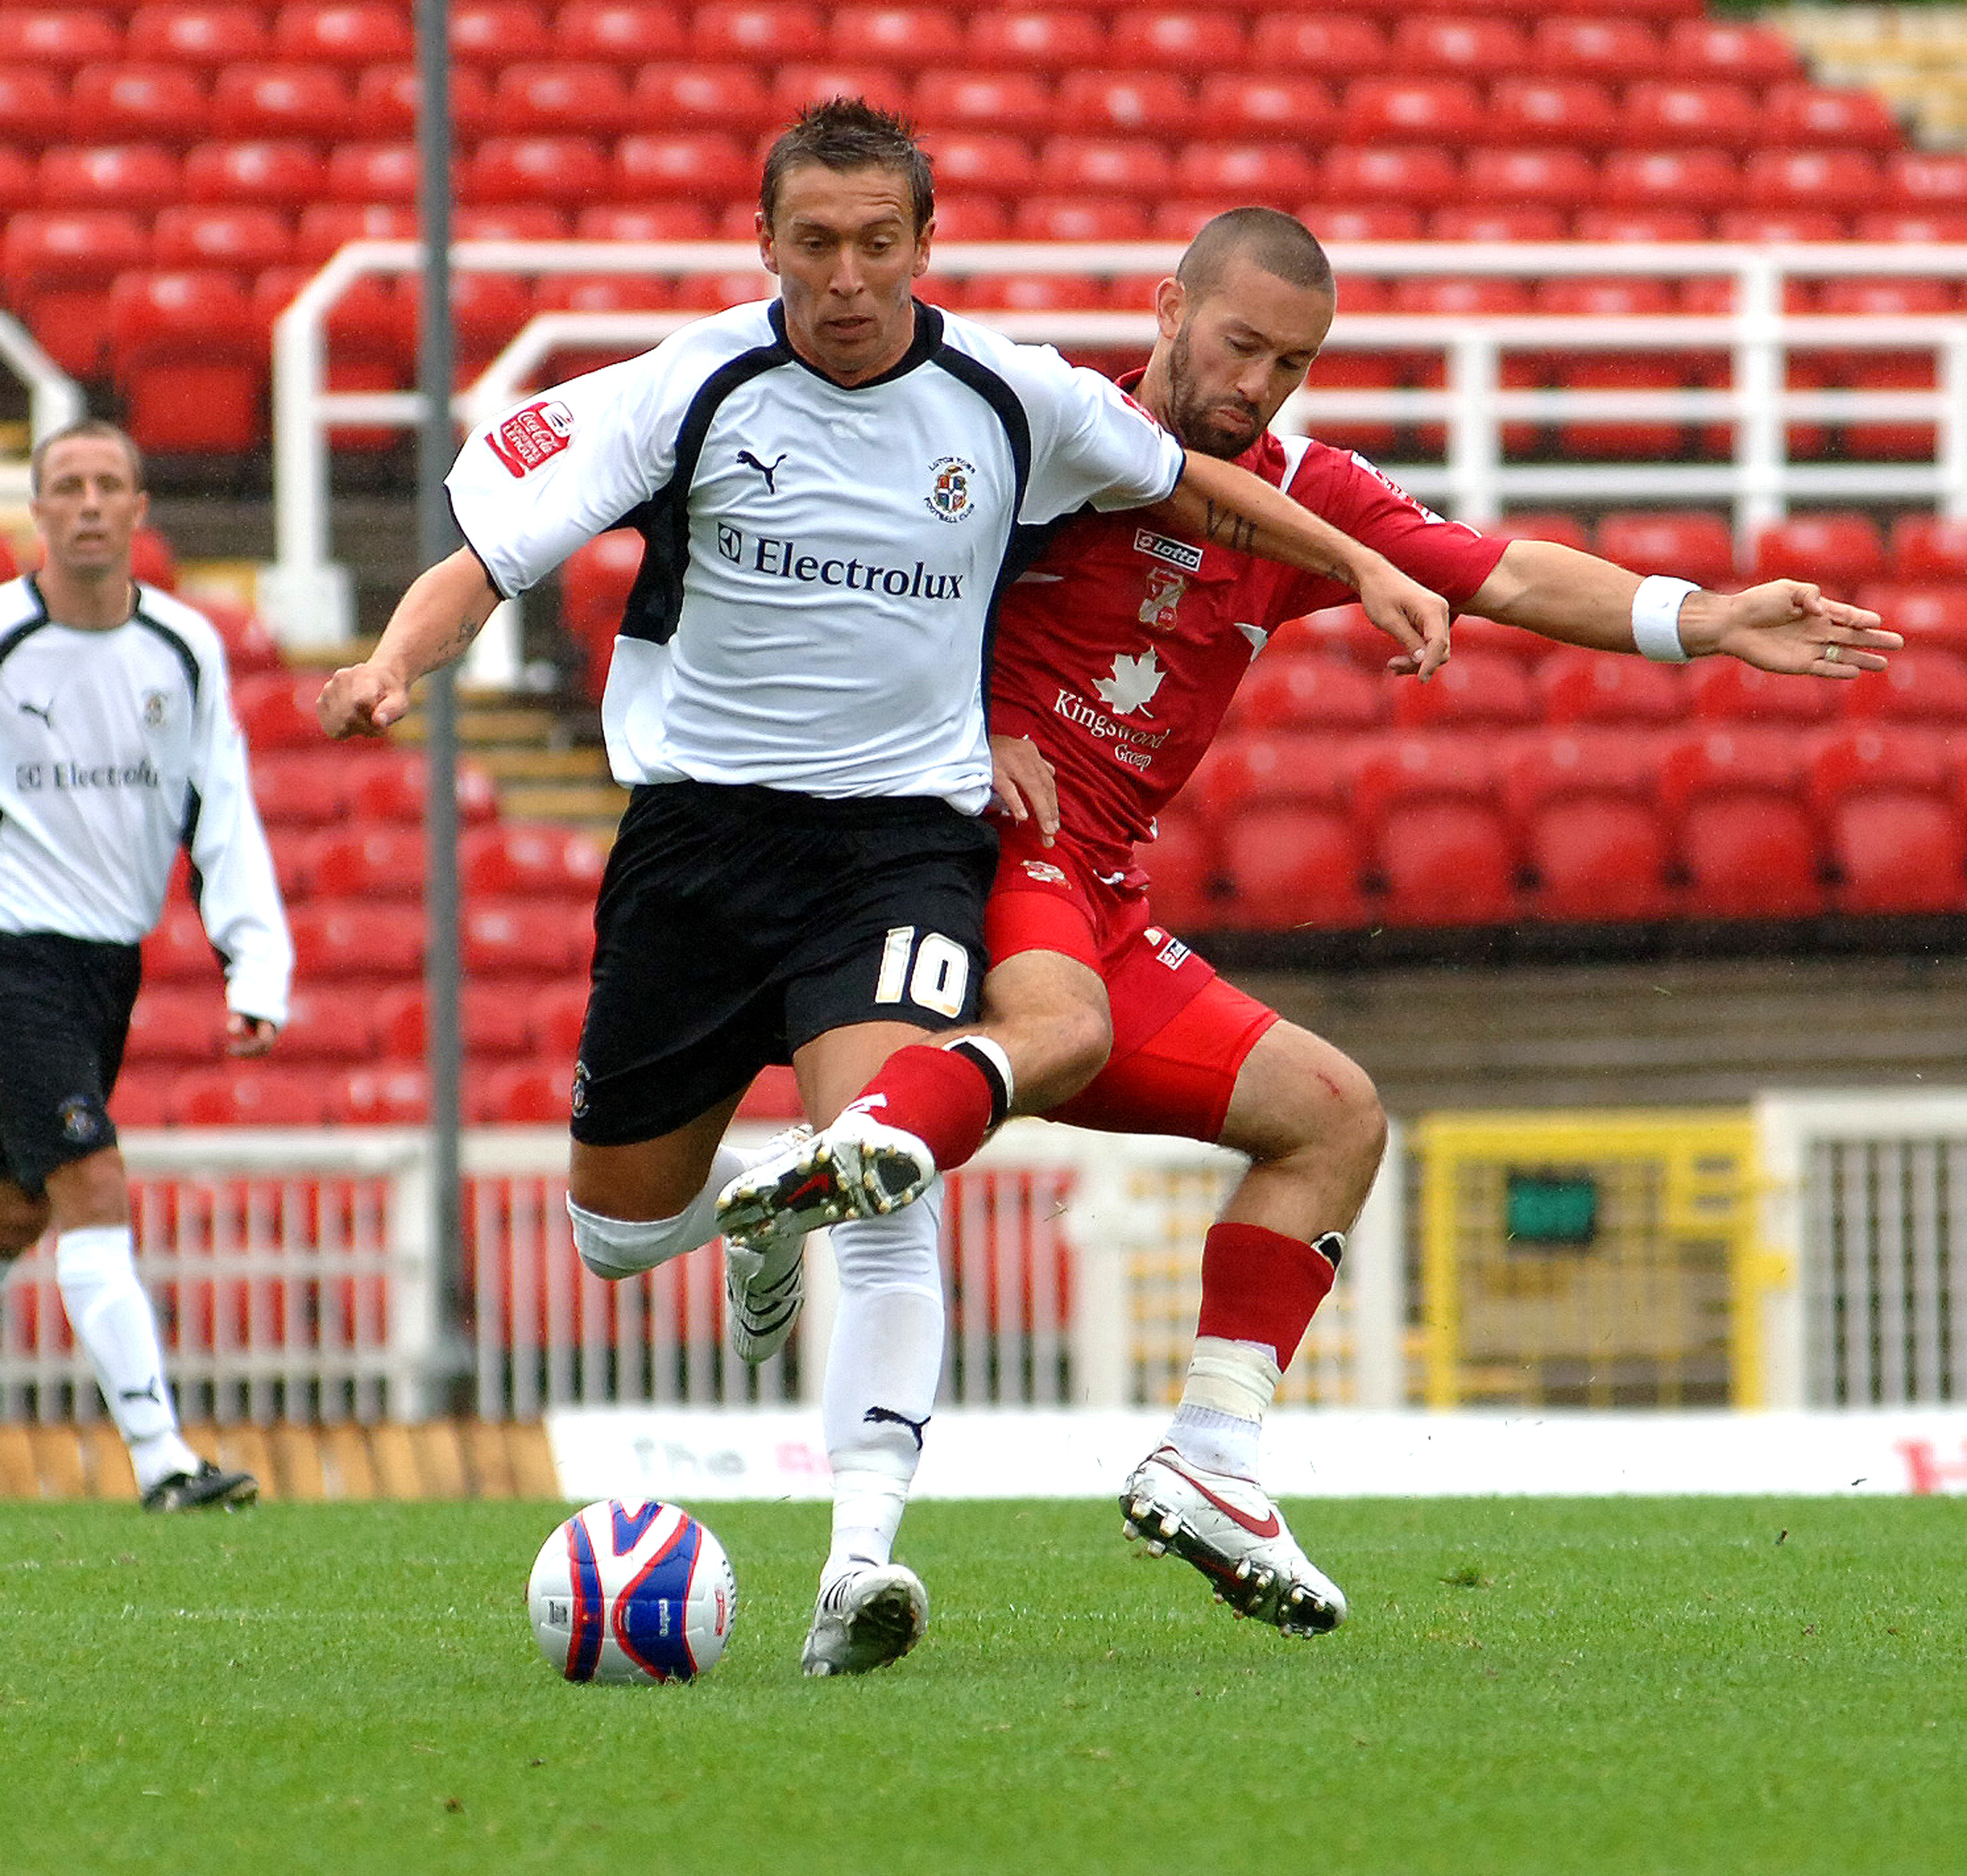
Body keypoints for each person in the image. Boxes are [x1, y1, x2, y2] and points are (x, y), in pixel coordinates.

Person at [318, 103, 1452, 1677]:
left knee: (889, 1176)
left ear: (925, 246)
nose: (844, 277)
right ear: (765, 244)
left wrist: (1367, 562)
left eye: (875, 244)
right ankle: (754, 1225)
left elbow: (1198, 484)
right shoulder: (689, 384)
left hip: (899, 845)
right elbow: (486, 556)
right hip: (698, 849)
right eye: (813, 244)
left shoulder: (1006, 392)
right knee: (616, 1238)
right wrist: (388, 666)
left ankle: (859, 1562)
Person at [724, 207, 1906, 1636]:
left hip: (1099, 887)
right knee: (1061, 1025)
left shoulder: (1297, 495)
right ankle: (835, 1160)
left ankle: (1208, 1456)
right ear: (1167, 310)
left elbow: (1505, 573)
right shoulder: (1047, 438)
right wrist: (953, 726)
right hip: (982, 857)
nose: (1256, 387)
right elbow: (850, 584)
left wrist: (1700, 618)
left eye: (1289, 363)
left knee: (1332, 1115)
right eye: (1237, 347)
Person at [0, 419, 292, 1512]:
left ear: (138, 509)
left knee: (18, 1215)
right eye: (64, 484)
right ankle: (165, 1458)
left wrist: (255, 963)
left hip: (102, 968)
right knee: (91, 1182)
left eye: (105, 483)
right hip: (10, 953)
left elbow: (222, 807)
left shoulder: (183, 646)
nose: (84, 502)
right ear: (37, 508)